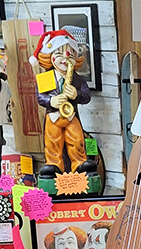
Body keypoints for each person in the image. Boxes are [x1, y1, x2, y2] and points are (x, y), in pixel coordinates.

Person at [31, 29, 96, 178]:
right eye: (59, 53)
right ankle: (54, 165)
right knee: (52, 141)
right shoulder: (45, 77)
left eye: (70, 54)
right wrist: (51, 100)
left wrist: (77, 94)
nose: (65, 58)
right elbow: (40, 97)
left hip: (71, 116)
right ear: (50, 57)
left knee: (77, 140)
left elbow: (86, 97)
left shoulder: (78, 79)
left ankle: (79, 163)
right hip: (53, 116)